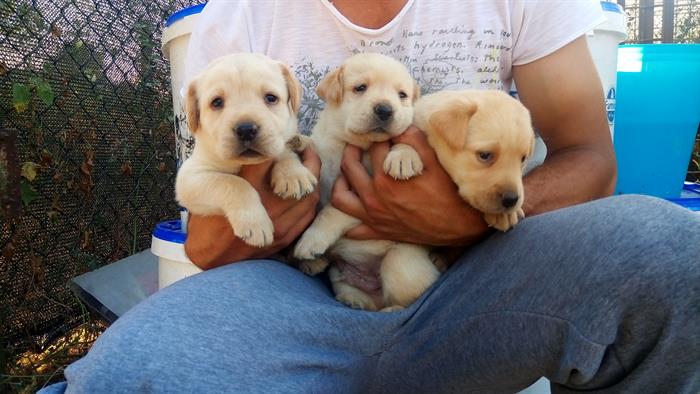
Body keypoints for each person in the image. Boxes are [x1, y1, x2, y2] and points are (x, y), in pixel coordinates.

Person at [41, 1, 700, 393]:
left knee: (667, 251)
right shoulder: (237, 17)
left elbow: (592, 158)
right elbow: (209, 242)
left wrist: (462, 219)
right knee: (123, 371)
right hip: (291, 283)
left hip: (484, 275)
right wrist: (259, 212)